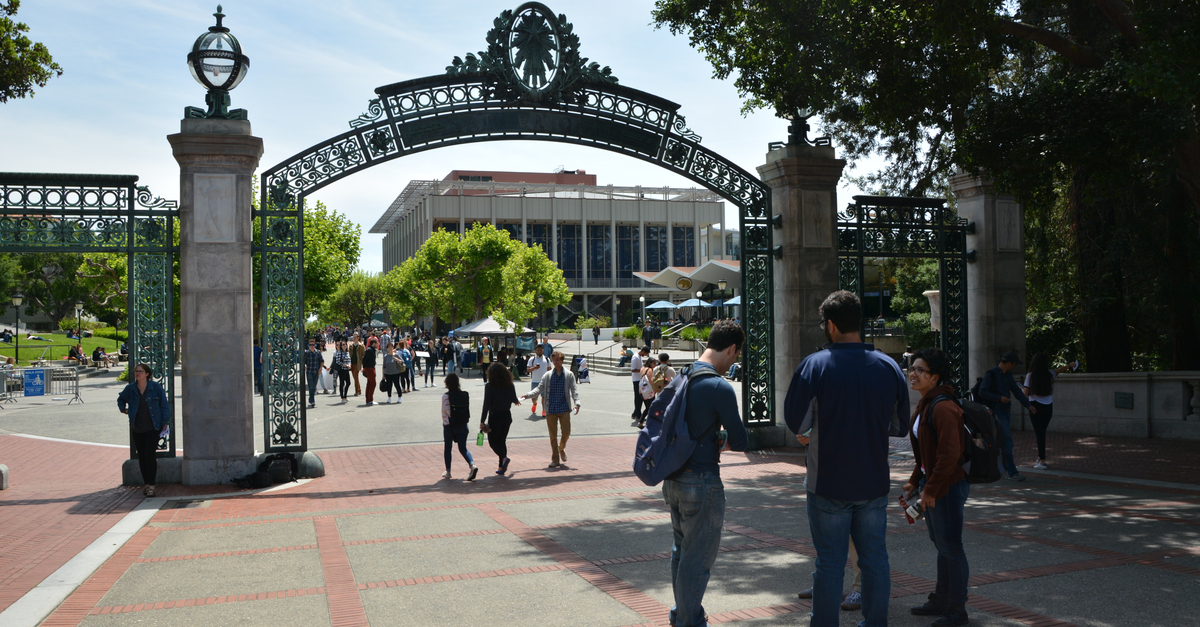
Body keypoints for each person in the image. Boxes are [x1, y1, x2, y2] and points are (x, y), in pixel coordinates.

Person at [783, 290, 908, 627]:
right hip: (873, 482)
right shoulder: (888, 366)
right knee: (875, 560)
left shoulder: (815, 365)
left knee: (829, 562)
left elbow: (796, 422)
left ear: (832, 325)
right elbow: (900, 425)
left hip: (827, 483)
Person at [661, 320, 747, 627]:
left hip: (673, 478)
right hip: (702, 481)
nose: (734, 361)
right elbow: (740, 440)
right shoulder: (719, 386)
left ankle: (683, 615)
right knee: (698, 559)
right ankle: (689, 621)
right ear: (731, 348)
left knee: (680, 552)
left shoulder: (680, 376)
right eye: (736, 355)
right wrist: (722, 435)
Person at [903, 347, 970, 627]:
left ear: (935, 377)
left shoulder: (942, 406)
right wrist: (915, 481)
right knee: (942, 545)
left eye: (920, 370)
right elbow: (926, 453)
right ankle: (941, 599)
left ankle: (957, 610)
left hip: (947, 488)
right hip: (935, 485)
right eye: (912, 368)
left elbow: (948, 455)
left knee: (951, 547)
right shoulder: (926, 403)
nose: (913, 374)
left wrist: (929, 490)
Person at [977, 351, 1036, 481]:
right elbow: (982, 392)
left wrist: (1027, 405)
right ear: (1008, 363)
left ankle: (992, 468)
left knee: (999, 442)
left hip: (1005, 411)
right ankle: (1012, 472)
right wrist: (999, 398)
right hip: (996, 411)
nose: (1014, 367)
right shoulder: (991, 374)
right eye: (1014, 364)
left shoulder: (1008, 376)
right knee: (1007, 441)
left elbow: (1016, 391)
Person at [117, 363, 171, 497]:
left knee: (149, 455)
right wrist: (124, 409)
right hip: (137, 427)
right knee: (141, 456)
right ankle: (146, 484)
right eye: (136, 371)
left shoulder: (155, 388)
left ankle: (152, 485)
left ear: (147, 374)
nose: (138, 373)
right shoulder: (131, 389)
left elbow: (164, 405)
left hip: (153, 427)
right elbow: (121, 399)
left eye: (140, 371)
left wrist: (165, 421)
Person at [522, 350, 580, 468]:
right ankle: (555, 459)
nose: (555, 362)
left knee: (566, 433)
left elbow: (574, 390)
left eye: (557, 360)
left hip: (564, 408)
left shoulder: (569, 374)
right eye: (553, 360)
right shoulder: (547, 375)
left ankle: (561, 448)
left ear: (562, 360)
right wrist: (527, 395)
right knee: (553, 436)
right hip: (551, 409)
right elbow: (539, 389)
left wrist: (577, 403)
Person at [1022, 354, 1074, 469]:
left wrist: (1021, 388)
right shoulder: (1049, 374)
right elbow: (1059, 370)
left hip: (1035, 406)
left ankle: (1042, 459)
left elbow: (1025, 392)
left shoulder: (1031, 376)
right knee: (1042, 432)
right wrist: (1070, 366)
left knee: (1039, 433)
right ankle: (1040, 458)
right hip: (1048, 407)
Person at [480, 362, 521, 476]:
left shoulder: (489, 386)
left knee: (493, 442)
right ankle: (501, 467)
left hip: (495, 415)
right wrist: (517, 401)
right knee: (502, 441)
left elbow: (486, 405)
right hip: (507, 415)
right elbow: (514, 399)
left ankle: (504, 458)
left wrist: (482, 420)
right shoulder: (510, 384)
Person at [440, 373, 478, 481]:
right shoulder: (464, 395)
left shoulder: (445, 396)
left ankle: (448, 471)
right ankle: (472, 465)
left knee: (448, 448)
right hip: (463, 424)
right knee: (463, 448)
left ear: (447, 383)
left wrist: (446, 425)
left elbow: (444, 413)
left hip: (450, 426)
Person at [526, 344, 550, 417]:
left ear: (543, 350)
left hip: (544, 381)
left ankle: (544, 410)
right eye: (538, 350)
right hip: (535, 381)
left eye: (541, 350)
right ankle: (534, 403)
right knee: (534, 397)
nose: (539, 351)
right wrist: (534, 368)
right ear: (535, 351)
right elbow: (528, 369)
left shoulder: (546, 359)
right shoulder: (532, 359)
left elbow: (549, 369)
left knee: (544, 397)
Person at [636, 356, 658, 429]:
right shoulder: (649, 370)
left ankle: (641, 422)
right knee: (650, 407)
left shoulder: (642, 368)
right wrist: (655, 389)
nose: (655, 364)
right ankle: (646, 423)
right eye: (654, 363)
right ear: (650, 363)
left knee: (648, 407)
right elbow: (651, 381)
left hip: (641, 390)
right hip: (648, 391)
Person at [303, 338, 324, 408]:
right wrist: (304, 366)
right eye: (310, 344)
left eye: (313, 344)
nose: (312, 346)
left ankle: (310, 398)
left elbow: (322, 361)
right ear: (309, 345)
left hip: (316, 371)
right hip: (309, 371)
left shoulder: (318, 352)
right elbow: (303, 361)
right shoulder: (306, 353)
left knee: (314, 386)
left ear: (315, 345)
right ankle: (312, 400)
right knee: (311, 386)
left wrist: (320, 368)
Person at [630, 345, 649, 423]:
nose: (645, 355)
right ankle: (637, 414)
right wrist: (642, 371)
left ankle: (636, 413)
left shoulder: (639, 357)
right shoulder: (636, 357)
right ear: (643, 351)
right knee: (638, 397)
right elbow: (633, 369)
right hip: (636, 380)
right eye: (646, 353)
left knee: (640, 397)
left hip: (639, 379)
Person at [362, 338, 379, 406]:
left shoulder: (372, 350)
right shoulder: (369, 350)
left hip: (371, 367)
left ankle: (368, 399)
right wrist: (364, 367)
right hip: (369, 368)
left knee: (369, 383)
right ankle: (370, 399)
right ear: (373, 343)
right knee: (373, 383)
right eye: (377, 343)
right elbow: (364, 359)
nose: (378, 344)